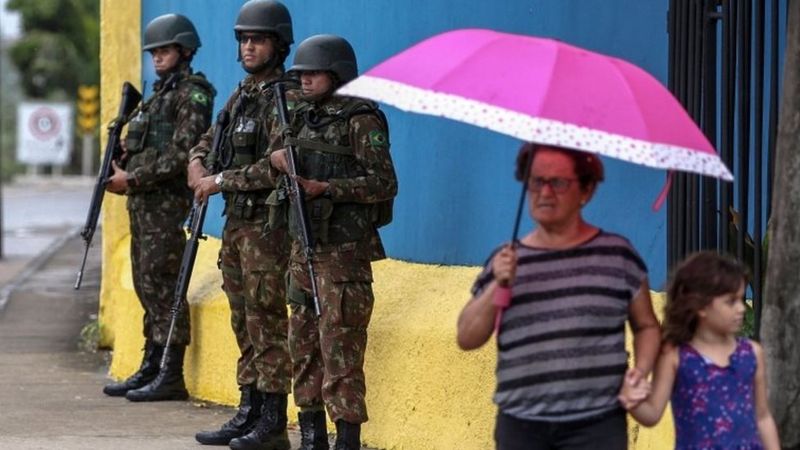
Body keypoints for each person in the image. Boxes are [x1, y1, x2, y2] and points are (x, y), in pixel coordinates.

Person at [456, 143, 661, 450]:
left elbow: (647, 326)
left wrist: (640, 372)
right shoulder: (506, 260)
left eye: (558, 182)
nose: (545, 192)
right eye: (536, 181)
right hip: (521, 426)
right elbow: (467, 337)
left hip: (597, 424)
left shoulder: (618, 256)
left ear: (586, 191)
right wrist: (496, 285)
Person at [268, 34, 398, 450]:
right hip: (301, 249)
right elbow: (276, 159)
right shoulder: (299, 117)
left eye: (313, 73)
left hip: (342, 257)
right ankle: (311, 436)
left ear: (336, 73)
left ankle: (346, 439)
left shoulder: (361, 119)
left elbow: (384, 182)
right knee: (302, 346)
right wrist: (276, 160)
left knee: (340, 353)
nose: (304, 81)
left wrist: (328, 188)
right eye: (301, 74)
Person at [187, 1, 294, 448]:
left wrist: (219, 180)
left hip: (268, 231)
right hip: (237, 229)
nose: (249, 47)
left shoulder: (283, 99)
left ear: (278, 44)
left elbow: (278, 167)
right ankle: (248, 409)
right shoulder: (243, 93)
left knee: (266, 321)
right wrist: (196, 163)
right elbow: (212, 139)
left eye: (258, 39)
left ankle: (271, 419)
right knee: (242, 321)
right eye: (244, 40)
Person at [102, 13, 214, 402]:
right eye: (154, 52)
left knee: (165, 286)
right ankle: (151, 363)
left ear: (184, 51)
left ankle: (170, 372)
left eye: (164, 50)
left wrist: (132, 178)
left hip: (165, 205)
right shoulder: (156, 96)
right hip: (143, 205)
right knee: (146, 283)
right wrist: (122, 163)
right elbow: (147, 147)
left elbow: (183, 151)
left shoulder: (193, 94)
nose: (157, 57)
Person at [619, 251, 781, 449]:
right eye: (731, 301)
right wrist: (631, 399)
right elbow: (652, 413)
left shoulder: (752, 353)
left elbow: (763, 416)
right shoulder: (675, 356)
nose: (741, 308)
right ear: (701, 307)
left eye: (741, 299)